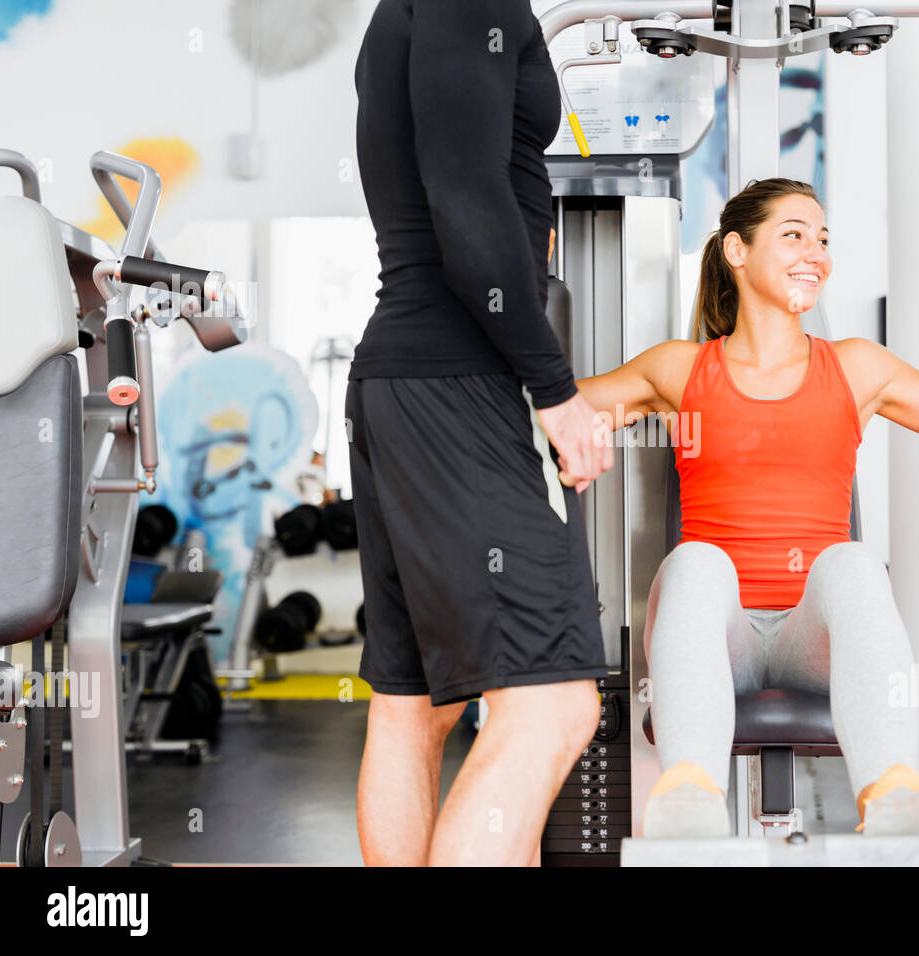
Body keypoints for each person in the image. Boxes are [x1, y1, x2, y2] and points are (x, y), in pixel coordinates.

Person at [574, 178, 919, 836]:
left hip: (806, 640)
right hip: (718, 634)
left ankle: (893, 794)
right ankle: (690, 800)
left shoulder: (856, 368)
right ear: (737, 250)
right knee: (696, 560)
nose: (815, 252)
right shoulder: (679, 370)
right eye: (793, 234)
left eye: (822, 239)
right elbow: (553, 412)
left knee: (850, 562)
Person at [347, 1, 613, 866]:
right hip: (466, 377)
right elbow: (466, 198)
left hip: (407, 374)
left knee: (415, 703)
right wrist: (554, 387)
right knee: (552, 706)